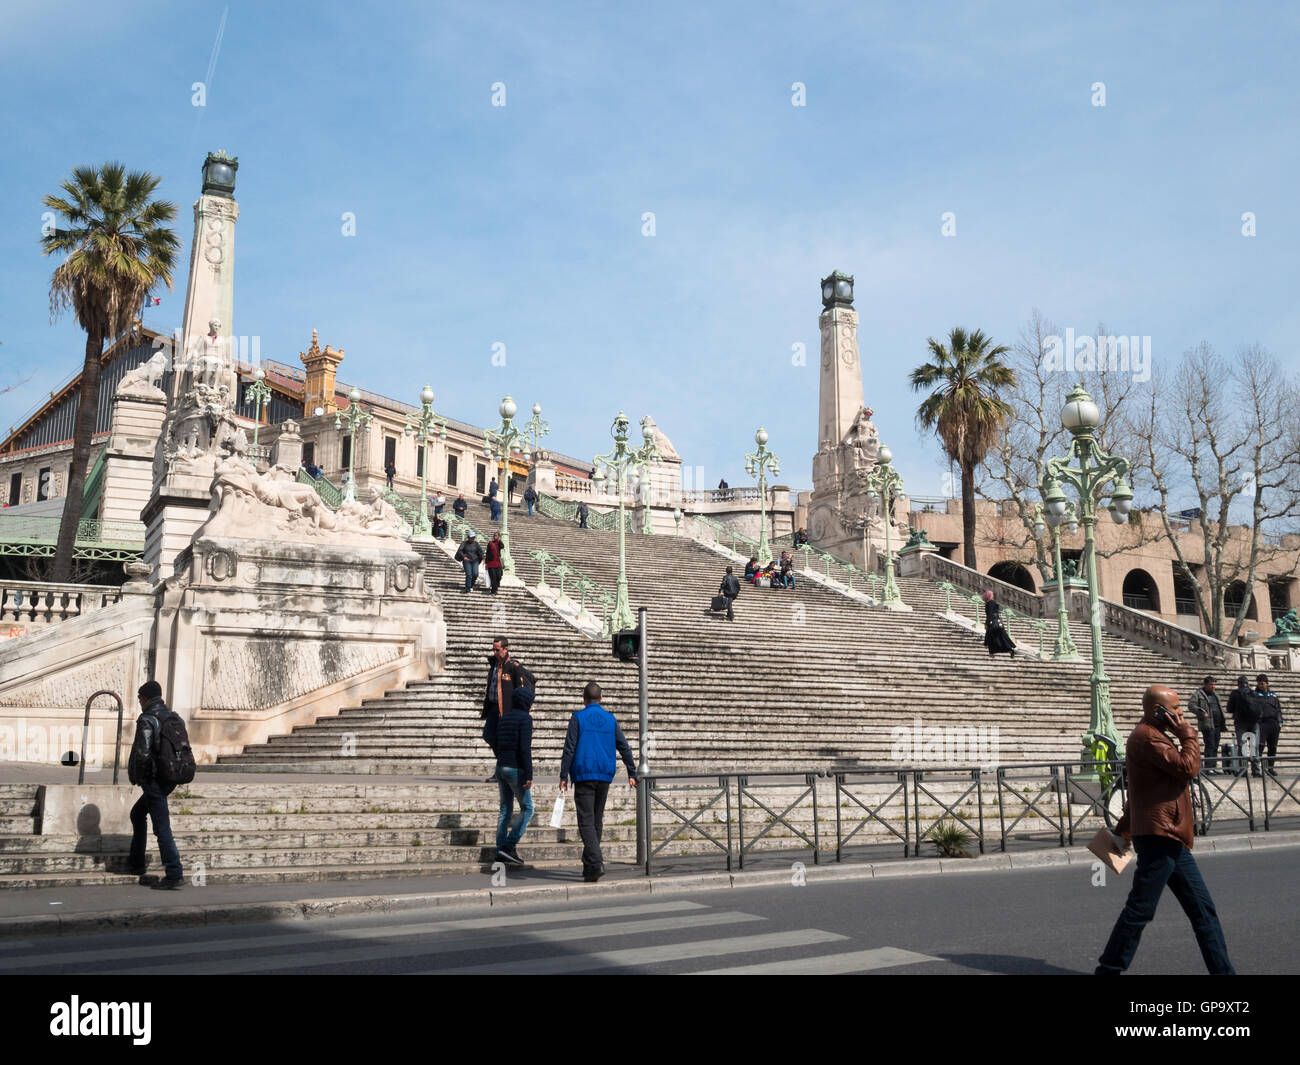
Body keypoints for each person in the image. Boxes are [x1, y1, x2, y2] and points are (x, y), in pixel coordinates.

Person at [1095, 684, 1235, 976]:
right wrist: (1187, 734)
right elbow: (1189, 768)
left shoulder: (1153, 735)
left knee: (1202, 911)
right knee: (1140, 910)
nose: (1182, 715)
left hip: (1168, 835)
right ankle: (1107, 970)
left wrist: (1127, 829)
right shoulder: (1148, 738)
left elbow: (1144, 790)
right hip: (1161, 837)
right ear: (1157, 711)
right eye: (1176, 710)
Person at [559, 681, 638, 882]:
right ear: (600, 698)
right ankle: (589, 868)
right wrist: (632, 772)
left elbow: (569, 748)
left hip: (584, 773)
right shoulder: (610, 719)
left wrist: (563, 776)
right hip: (604, 774)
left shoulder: (578, 717)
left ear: (584, 698)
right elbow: (624, 746)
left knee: (586, 821)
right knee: (596, 820)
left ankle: (596, 861)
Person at [126, 681, 184, 890]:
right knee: (137, 813)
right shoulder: (173, 717)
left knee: (161, 826)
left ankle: (174, 873)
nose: (139, 701)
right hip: (170, 777)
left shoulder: (148, 718)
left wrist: (138, 777)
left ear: (146, 698)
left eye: (140, 697)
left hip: (153, 779)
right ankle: (136, 863)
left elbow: (143, 752)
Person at [494, 685, 535, 866]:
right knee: (527, 808)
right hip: (515, 768)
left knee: (505, 810)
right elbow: (525, 749)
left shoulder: (504, 718)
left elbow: (496, 741)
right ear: (526, 702)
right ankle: (508, 847)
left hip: (501, 766)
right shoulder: (525, 719)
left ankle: (500, 849)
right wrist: (529, 774)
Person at [482, 636, 527, 780]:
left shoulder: (514, 666)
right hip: (493, 707)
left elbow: (521, 689)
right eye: (493, 649)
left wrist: (519, 710)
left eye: (497, 649)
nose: (494, 652)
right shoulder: (493, 665)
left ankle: (502, 771)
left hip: (507, 710)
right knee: (488, 735)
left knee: (503, 741)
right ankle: (505, 765)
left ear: (506, 649)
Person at [1187, 676, 1225, 774]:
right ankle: (1208, 768)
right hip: (1207, 724)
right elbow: (1191, 706)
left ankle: (1213, 767)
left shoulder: (1216, 695)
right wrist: (1201, 712)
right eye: (1211, 685)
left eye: (1214, 684)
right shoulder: (1198, 694)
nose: (1213, 687)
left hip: (1217, 724)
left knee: (1216, 745)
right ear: (1205, 684)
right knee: (1210, 745)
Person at [1226, 674, 1261, 776]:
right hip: (1254, 722)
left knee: (1243, 746)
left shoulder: (1235, 693)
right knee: (1254, 746)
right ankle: (1256, 771)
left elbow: (1229, 709)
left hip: (1241, 723)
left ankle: (1243, 770)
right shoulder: (1253, 693)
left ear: (1238, 684)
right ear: (1247, 683)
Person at [1254, 674, 1283, 776]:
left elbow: (1278, 709)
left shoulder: (1273, 695)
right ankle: (1257, 769)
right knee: (1260, 746)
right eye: (1259, 684)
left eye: (1262, 684)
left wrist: (1280, 722)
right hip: (1262, 724)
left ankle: (1270, 768)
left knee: (1273, 747)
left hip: (1273, 723)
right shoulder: (1255, 695)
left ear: (1267, 683)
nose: (1260, 686)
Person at [982, 589, 1016, 658]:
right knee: (999, 638)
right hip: (997, 622)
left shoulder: (989, 603)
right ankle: (1009, 650)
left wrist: (986, 623)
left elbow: (990, 614)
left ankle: (992, 653)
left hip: (992, 623)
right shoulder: (994, 603)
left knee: (991, 638)